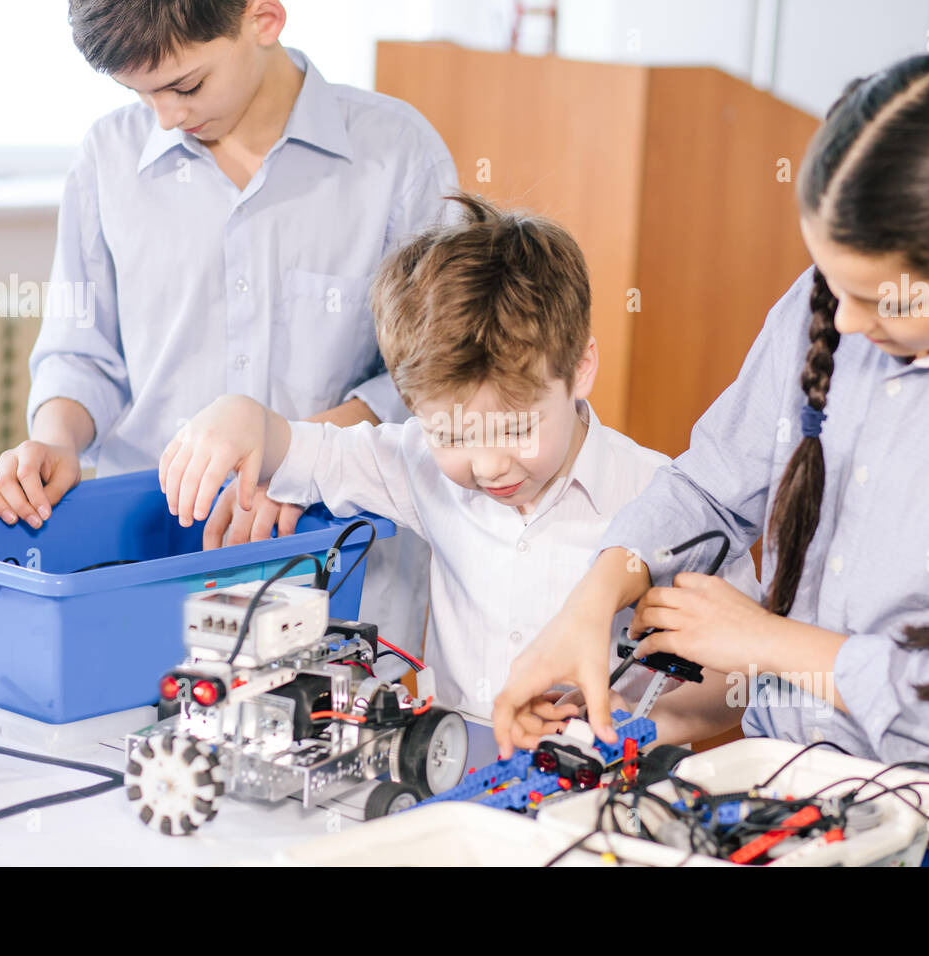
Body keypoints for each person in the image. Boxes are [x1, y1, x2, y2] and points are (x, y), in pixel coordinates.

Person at [491, 55, 929, 866]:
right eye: (835, 283)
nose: (850, 322)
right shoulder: (825, 301)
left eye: (887, 301)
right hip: (786, 788)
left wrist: (766, 641)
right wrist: (592, 598)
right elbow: (712, 486)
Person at [0, 0, 457, 655]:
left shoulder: (397, 154)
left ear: (263, 18)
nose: (165, 117)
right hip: (145, 561)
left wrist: (301, 455)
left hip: (332, 558)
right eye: (139, 95)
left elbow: (446, 374)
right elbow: (81, 353)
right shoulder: (108, 157)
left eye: (186, 85)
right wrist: (56, 441)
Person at [157, 193, 759, 718]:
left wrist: (625, 711)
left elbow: (737, 679)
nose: (489, 466)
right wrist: (244, 416)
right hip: (450, 773)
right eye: (450, 434)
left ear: (581, 368)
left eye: (515, 428)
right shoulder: (418, 466)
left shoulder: (667, 498)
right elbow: (311, 453)